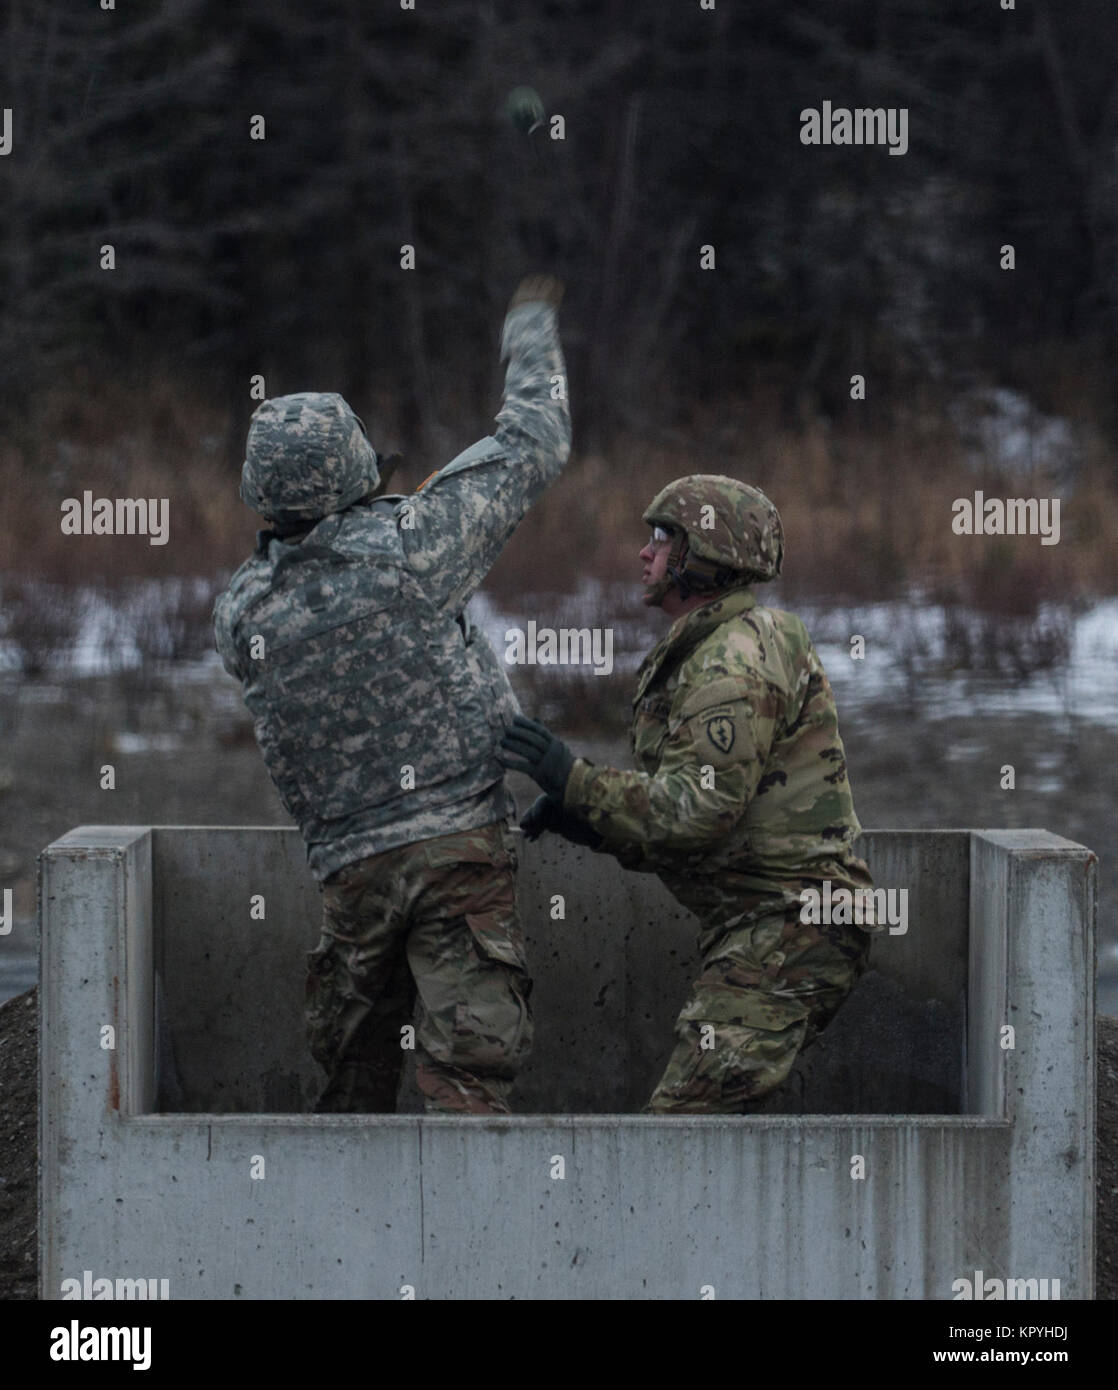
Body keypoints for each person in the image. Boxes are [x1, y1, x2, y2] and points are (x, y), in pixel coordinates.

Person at [213, 275, 569, 1115]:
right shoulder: (412, 546)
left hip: (350, 873)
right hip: (458, 854)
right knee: (467, 1081)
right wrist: (529, 322)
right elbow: (535, 441)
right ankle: (476, 1240)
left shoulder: (239, 611)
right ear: (356, 468)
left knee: (353, 1082)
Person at [498, 475, 880, 1113]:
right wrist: (587, 820)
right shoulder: (719, 646)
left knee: (680, 1141)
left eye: (662, 538)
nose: (643, 554)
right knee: (699, 1146)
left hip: (788, 929)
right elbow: (702, 826)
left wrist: (572, 778)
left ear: (701, 556)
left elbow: (696, 814)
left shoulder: (732, 664)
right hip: (770, 926)